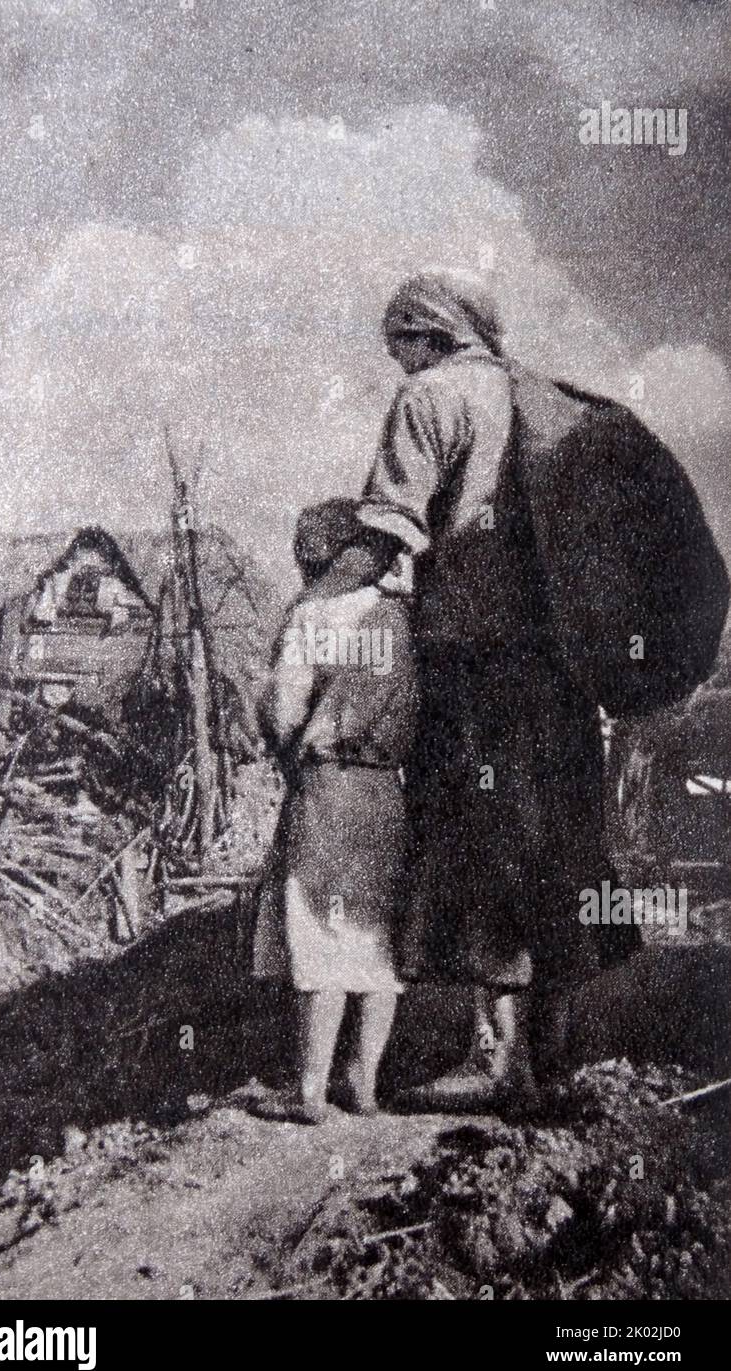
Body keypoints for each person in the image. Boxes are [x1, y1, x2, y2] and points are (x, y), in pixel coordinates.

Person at [306, 269, 643, 1115]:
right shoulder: (543, 401)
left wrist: (312, 614)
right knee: (559, 840)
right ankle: (556, 1054)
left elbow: (385, 535)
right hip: (560, 674)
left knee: (478, 843)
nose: (396, 364)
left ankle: (495, 1057)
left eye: (397, 346)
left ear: (427, 336)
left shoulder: (430, 400)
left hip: (475, 665)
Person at [252, 497, 418, 1123]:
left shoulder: (310, 617)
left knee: (320, 934)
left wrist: (283, 736)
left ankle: (309, 1093)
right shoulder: (399, 619)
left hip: (326, 785)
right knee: (375, 943)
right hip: (384, 788)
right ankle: (366, 1086)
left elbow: (284, 710)